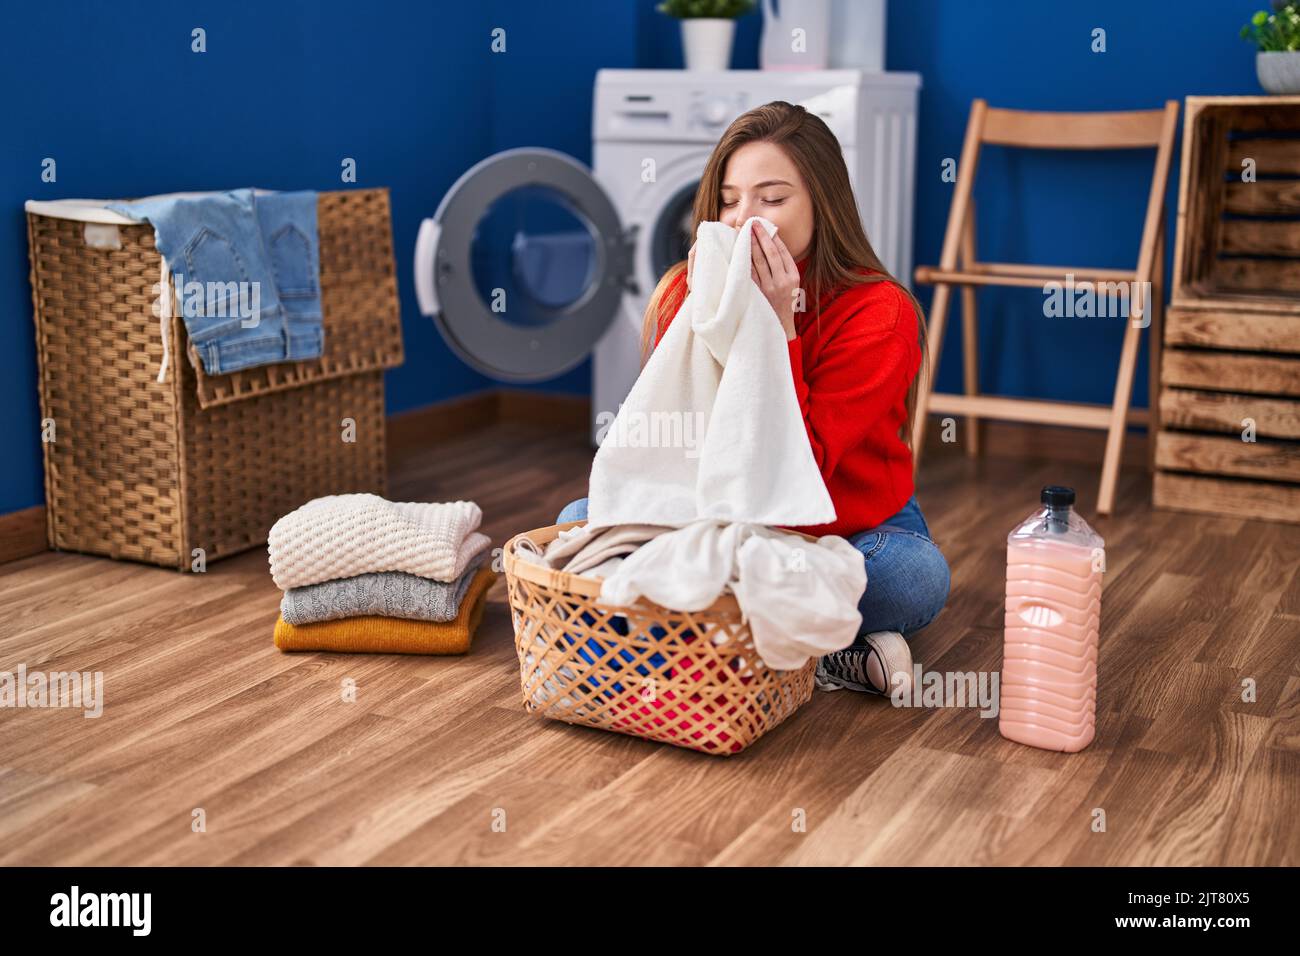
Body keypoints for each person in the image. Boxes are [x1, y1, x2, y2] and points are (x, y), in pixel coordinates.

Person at [556, 100, 949, 698]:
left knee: (914, 578)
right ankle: (802, 646)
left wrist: (778, 329)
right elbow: (670, 450)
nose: (745, 221)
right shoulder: (687, 294)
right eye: (730, 199)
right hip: (715, 517)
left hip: (841, 525)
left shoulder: (879, 313)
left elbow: (799, 469)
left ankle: (689, 634)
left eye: (772, 199)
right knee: (576, 524)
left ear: (823, 203)